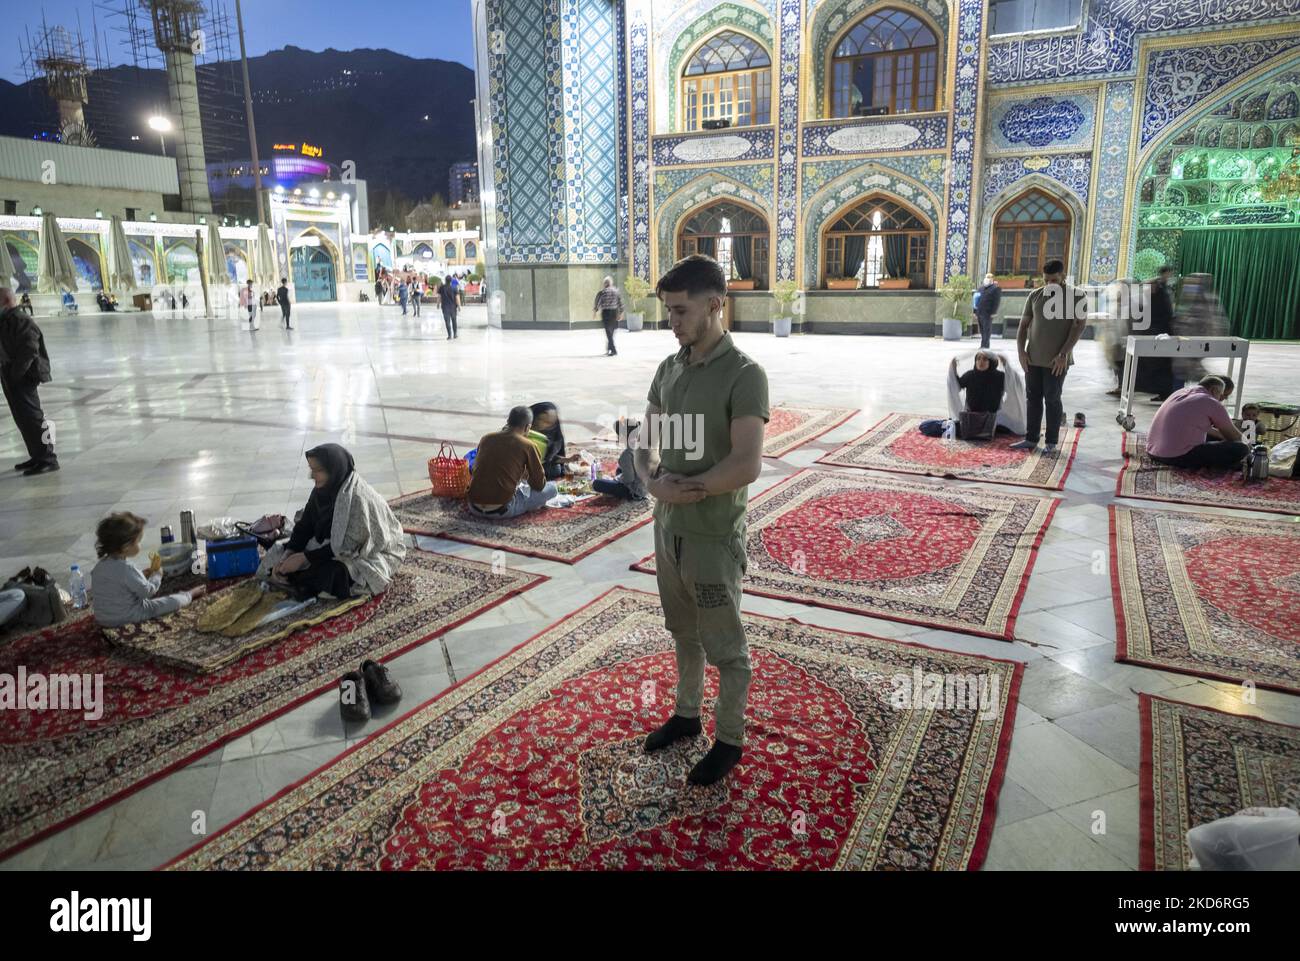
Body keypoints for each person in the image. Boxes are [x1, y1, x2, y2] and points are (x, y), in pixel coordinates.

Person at [634, 254, 769, 786]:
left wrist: (687, 490)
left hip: (712, 534)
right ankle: (687, 715)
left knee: (727, 648)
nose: (673, 323)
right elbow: (643, 441)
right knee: (682, 633)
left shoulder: (744, 375)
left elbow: (746, 463)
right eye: (668, 312)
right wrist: (652, 483)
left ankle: (729, 739)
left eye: (681, 311)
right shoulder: (670, 368)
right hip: (668, 530)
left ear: (716, 305)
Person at [264, 444, 407, 599]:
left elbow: (349, 546)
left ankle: (300, 581)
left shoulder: (356, 498)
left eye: (317, 471)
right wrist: (288, 554)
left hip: (370, 551)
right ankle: (295, 579)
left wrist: (304, 558)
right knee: (278, 551)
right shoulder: (323, 489)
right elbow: (305, 526)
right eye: (311, 469)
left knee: (335, 573)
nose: (311, 476)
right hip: (333, 544)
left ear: (334, 471)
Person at [1011, 260, 1086, 454]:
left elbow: (1079, 327)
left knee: (1052, 397)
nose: (1049, 284)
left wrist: (1063, 354)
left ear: (1063, 276)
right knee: (1032, 398)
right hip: (1033, 358)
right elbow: (1023, 326)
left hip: (1057, 360)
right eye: (1046, 280)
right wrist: (1021, 352)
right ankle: (1031, 438)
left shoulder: (1077, 296)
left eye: (1054, 280)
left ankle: (1051, 441)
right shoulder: (1035, 296)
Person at [90, 512, 192, 627]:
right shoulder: (127, 568)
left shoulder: (98, 567)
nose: (140, 545)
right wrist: (157, 575)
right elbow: (147, 592)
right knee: (166, 603)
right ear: (126, 546)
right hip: (127, 617)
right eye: (138, 542)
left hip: (103, 619)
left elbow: (116, 585)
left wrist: (142, 575)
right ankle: (189, 595)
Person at [0, 287, 58, 475]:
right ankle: (37, 456)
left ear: (6, 301)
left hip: (24, 376)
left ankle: (48, 458)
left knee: (33, 417)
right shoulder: (7, 320)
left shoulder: (20, 319)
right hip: (10, 374)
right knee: (22, 419)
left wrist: (17, 373)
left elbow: (30, 349)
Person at [466, 406, 557, 518]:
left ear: (508, 421)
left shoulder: (486, 438)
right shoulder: (528, 445)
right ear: (528, 427)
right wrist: (526, 476)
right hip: (502, 510)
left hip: (473, 506)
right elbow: (539, 485)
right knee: (552, 488)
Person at [1146, 375, 1248, 470]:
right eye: (1221, 395)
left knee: (1218, 438)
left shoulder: (1180, 392)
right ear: (1213, 390)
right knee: (1241, 448)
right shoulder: (1210, 401)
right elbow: (1234, 436)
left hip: (1153, 451)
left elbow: (1205, 428)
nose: (1222, 399)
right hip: (1175, 457)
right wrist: (1250, 446)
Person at [592, 419, 648, 500]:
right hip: (645, 488)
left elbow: (629, 479)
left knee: (596, 483)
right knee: (619, 469)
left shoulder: (627, 454)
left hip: (634, 492)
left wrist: (618, 479)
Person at [527, 401, 580, 479]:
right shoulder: (521, 429)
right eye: (543, 421)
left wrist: (568, 459)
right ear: (534, 417)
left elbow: (549, 457)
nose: (547, 426)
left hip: (541, 466)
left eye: (550, 423)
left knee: (556, 469)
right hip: (523, 468)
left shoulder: (552, 431)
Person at [593, 276, 625, 356]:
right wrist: (621, 313)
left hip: (606, 312)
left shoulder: (602, 292)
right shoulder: (616, 291)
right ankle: (609, 348)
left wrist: (595, 312)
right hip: (614, 312)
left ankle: (613, 350)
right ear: (611, 283)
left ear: (605, 284)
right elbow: (620, 302)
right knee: (611, 332)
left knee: (608, 332)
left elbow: (597, 302)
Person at [972, 273, 1002, 350]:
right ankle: (982, 344)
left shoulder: (995, 288)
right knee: (982, 329)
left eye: (989, 277)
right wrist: (975, 312)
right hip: (980, 312)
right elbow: (976, 300)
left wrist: (994, 312)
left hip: (988, 313)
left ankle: (986, 345)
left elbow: (996, 301)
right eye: (986, 277)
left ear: (992, 279)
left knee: (987, 329)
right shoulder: (980, 288)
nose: (987, 278)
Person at [438, 275, 459, 339]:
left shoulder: (442, 287)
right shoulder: (454, 288)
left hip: (445, 307)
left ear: (445, 280)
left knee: (447, 321)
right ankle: (455, 334)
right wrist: (459, 306)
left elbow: (439, 297)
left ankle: (449, 335)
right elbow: (457, 298)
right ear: (451, 281)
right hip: (453, 307)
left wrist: (438, 304)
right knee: (454, 320)